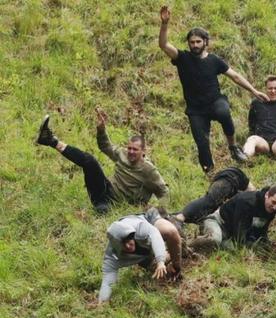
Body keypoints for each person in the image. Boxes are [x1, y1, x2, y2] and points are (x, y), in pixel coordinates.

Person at [159, 6, 268, 173]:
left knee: (223, 112)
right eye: (192, 42)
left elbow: (235, 76)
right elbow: (164, 44)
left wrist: (254, 91)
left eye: (198, 42)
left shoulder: (214, 60)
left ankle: (233, 147)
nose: (195, 45)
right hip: (195, 109)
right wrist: (165, 24)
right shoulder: (183, 58)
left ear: (205, 42)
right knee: (202, 144)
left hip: (215, 101)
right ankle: (210, 173)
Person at [35, 109, 168, 214]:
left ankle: (101, 206)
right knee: (90, 161)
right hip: (104, 190)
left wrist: (161, 213)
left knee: (102, 211)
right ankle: (50, 140)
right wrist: (101, 129)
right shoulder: (122, 154)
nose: (131, 152)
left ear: (143, 151)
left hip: (116, 204)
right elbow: (105, 146)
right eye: (129, 148)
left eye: (135, 150)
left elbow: (163, 191)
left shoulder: (148, 170)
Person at [100, 208, 182, 303]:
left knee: (171, 231)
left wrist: (160, 261)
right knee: (163, 273)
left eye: (128, 239)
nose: (128, 245)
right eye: (123, 244)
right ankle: (172, 252)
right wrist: (102, 302)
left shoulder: (138, 226)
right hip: (145, 255)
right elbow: (107, 282)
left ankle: (177, 264)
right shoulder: (111, 256)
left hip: (150, 222)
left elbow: (154, 234)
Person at [189, 184, 276, 252]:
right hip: (219, 223)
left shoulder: (272, 209)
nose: (275, 207)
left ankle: (212, 241)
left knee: (236, 249)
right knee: (215, 240)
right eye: (273, 202)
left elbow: (261, 233)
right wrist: (255, 246)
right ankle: (187, 245)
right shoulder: (247, 202)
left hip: (232, 234)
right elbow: (240, 237)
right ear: (267, 195)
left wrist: (268, 245)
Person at [172, 167, 255, 225]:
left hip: (227, 179)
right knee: (209, 201)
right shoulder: (253, 197)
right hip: (230, 179)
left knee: (206, 211)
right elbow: (251, 192)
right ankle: (180, 217)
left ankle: (172, 217)